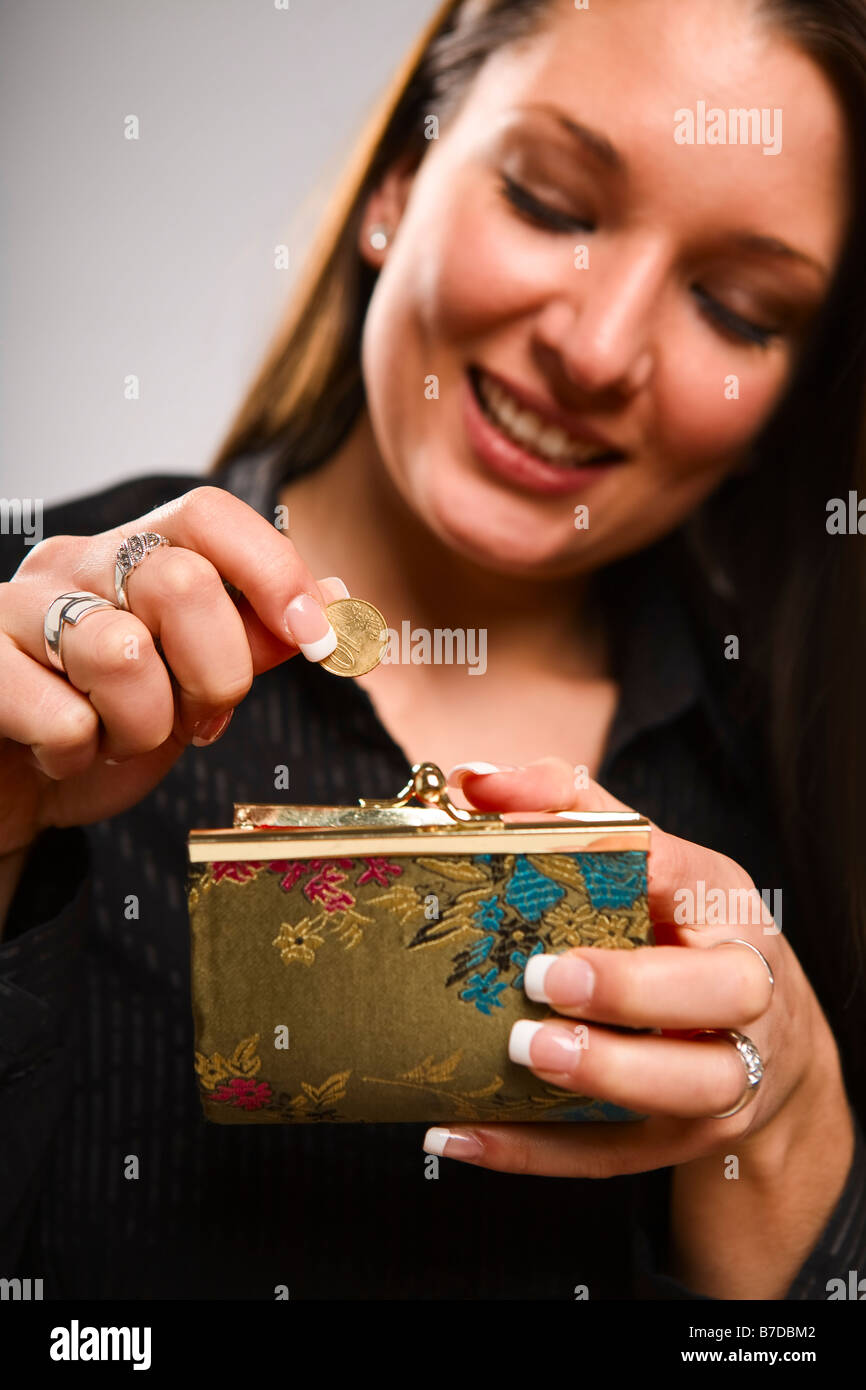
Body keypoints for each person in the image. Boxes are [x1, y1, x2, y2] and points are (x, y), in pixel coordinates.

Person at [2, 0, 865, 1301]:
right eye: (551, 202)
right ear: (395, 187)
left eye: (736, 310)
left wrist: (794, 1134)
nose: (595, 347)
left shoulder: (810, 795)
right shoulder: (26, 643)